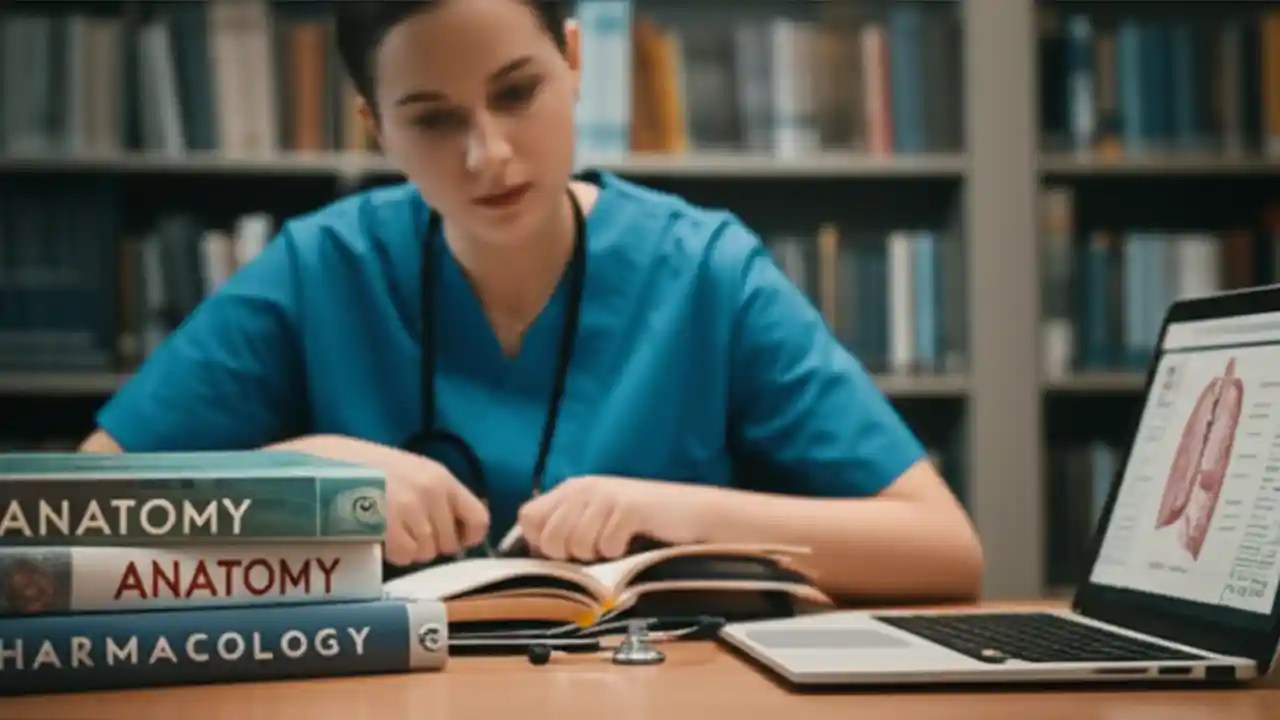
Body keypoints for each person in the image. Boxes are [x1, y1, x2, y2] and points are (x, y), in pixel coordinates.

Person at [79, 0, 984, 603]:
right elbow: (68, 521)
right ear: (372, 124)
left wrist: (674, 513)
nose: (490, 156)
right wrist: (293, 474)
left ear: (576, 59)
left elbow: (945, 551)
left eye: (518, 93)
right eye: (434, 118)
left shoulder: (704, 269)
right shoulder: (323, 266)